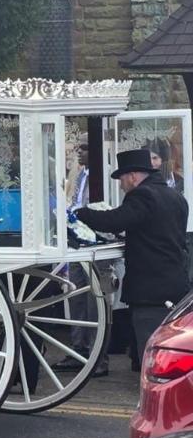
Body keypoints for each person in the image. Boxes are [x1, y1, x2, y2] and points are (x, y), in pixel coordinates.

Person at [75, 149, 190, 358]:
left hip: (151, 285)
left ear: (132, 176)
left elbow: (114, 221)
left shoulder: (142, 195)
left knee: (151, 350)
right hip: (175, 281)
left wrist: (80, 213)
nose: (120, 185)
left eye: (121, 180)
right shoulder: (175, 196)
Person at [51, 139, 110, 377]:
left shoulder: (104, 177)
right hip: (76, 240)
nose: (81, 153)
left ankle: (98, 356)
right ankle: (78, 349)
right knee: (76, 296)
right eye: (79, 149)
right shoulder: (78, 176)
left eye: (86, 148)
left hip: (98, 242)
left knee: (96, 301)